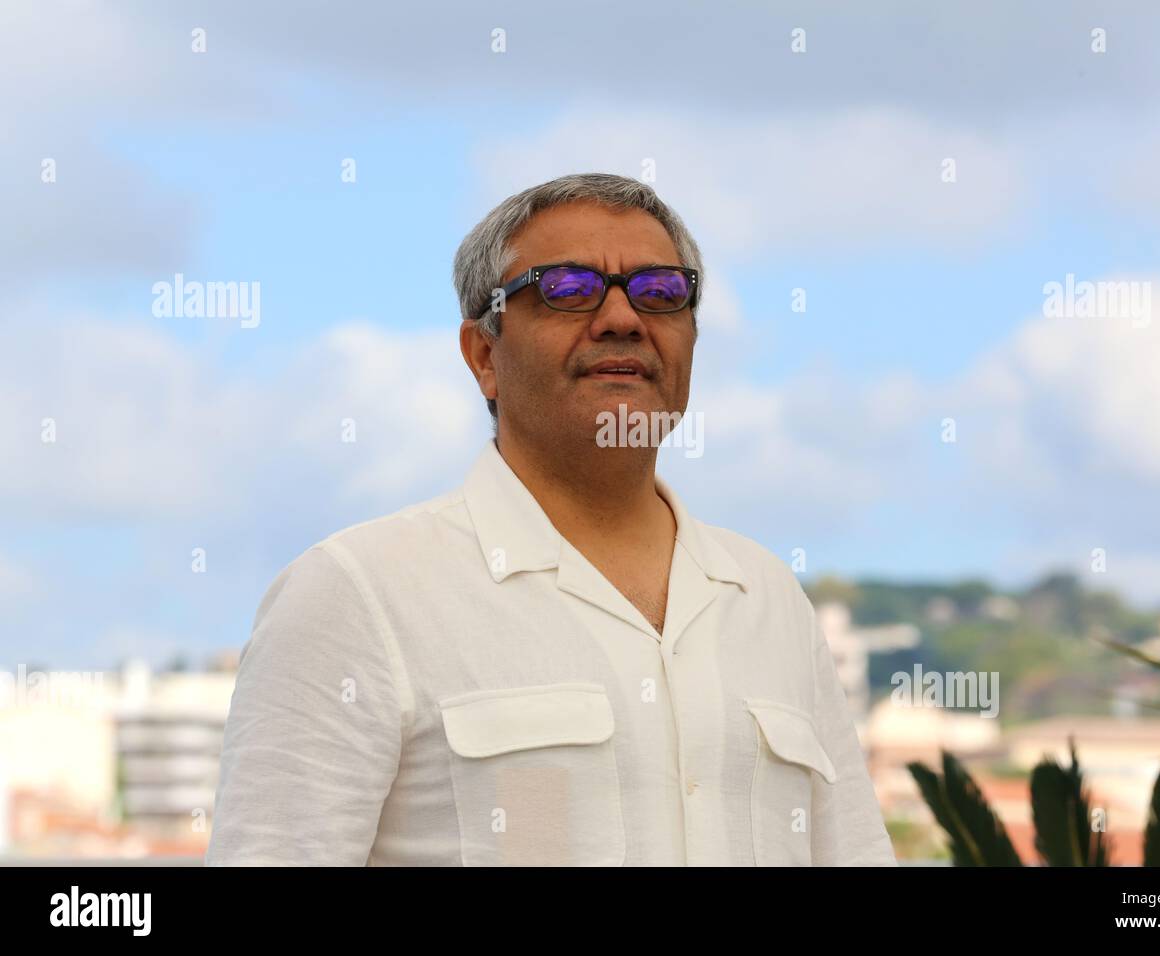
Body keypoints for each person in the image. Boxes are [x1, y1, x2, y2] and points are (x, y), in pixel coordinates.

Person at [205, 172, 897, 866]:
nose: (623, 318)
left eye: (661, 292)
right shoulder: (359, 594)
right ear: (484, 355)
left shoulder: (769, 598)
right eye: (567, 288)